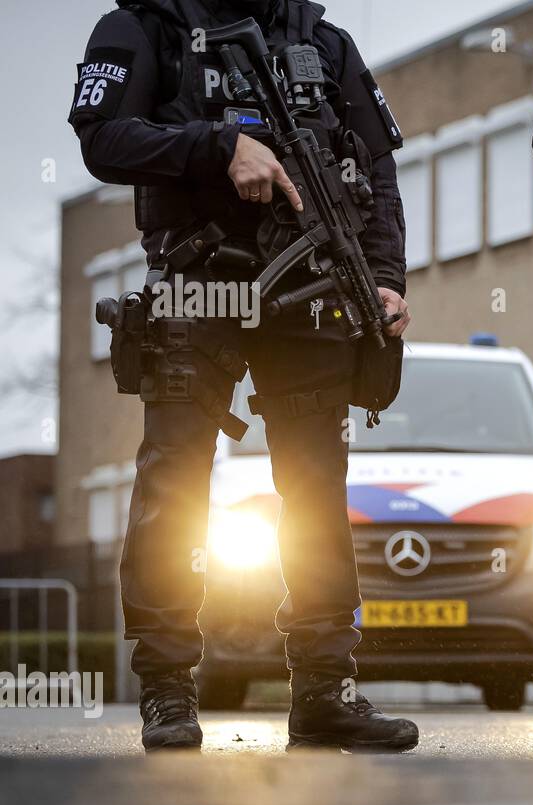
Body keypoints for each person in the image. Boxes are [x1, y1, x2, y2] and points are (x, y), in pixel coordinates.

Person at [69, 0, 418, 752]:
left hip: (314, 292)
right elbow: (102, 139)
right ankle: (167, 690)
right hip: (200, 286)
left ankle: (324, 693)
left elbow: (377, 169)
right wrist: (219, 145)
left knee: (318, 486)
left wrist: (386, 277)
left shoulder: (325, 41)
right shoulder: (148, 25)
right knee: (175, 480)